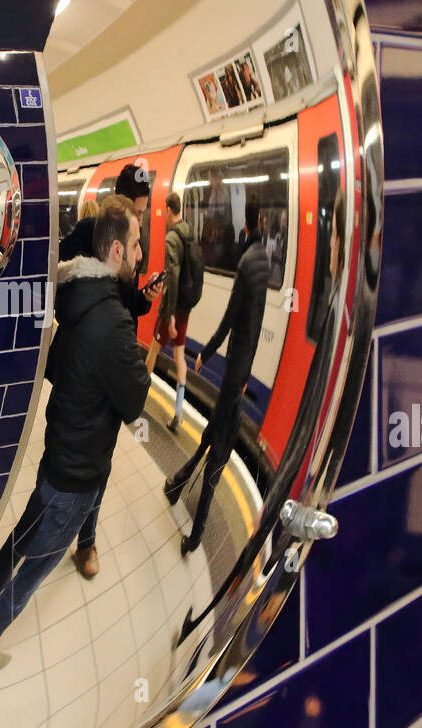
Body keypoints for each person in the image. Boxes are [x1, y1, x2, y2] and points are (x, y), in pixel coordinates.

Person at [0, 196, 151, 672]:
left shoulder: (78, 300)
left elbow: (62, 369)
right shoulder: (113, 323)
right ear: (116, 253)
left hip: (56, 453)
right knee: (33, 572)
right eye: (137, 244)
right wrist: (141, 356)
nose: (143, 252)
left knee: (19, 538)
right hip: (80, 475)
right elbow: (135, 402)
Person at [56, 163, 163, 579]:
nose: (141, 215)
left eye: (144, 207)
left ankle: (85, 543)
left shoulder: (135, 241)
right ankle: (58, 526)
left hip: (116, 357)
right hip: (86, 357)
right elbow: (63, 273)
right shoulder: (90, 232)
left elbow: (129, 300)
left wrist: (146, 298)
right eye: (136, 207)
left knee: (102, 456)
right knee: (76, 448)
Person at [162, 196, 277, 554]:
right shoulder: (265, 261)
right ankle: (178, 483)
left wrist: (205, 354)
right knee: (213, 432)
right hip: (244, 368)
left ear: (247, 223)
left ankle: (196, 536)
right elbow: (254, 324)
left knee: (218, 449)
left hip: (232, 375)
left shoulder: (245, 263)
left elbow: (230, 319)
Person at [148, 191, 200, 431]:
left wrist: (168, 314)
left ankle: (138, 396)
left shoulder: (172, 237)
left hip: (172, 308)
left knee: (153, 351)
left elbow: (173, 277)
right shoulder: (189, 230)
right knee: (180, 356)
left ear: (169, 210)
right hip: (186, 308)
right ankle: (178, 411)